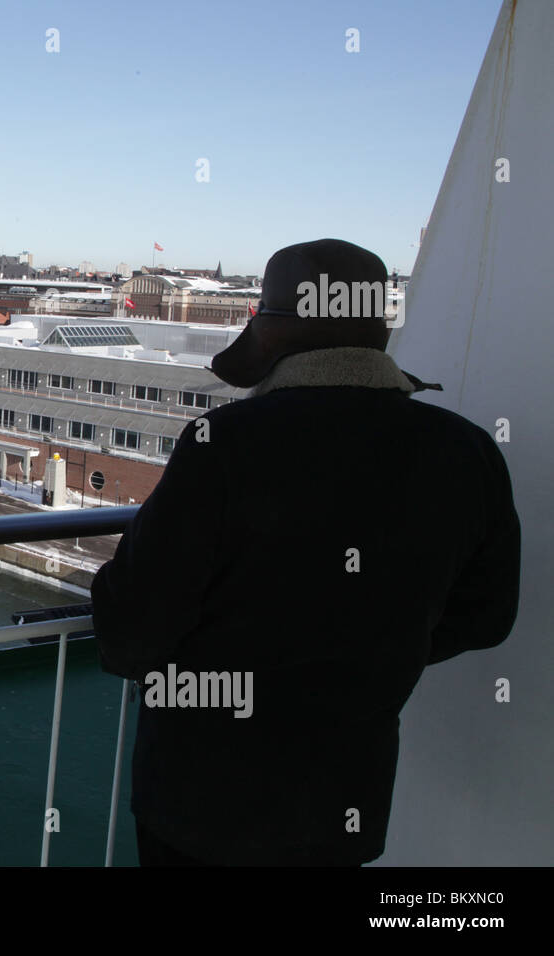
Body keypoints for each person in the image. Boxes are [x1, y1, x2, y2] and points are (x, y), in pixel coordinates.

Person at [91, 239, 521, 866]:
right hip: (345, 799)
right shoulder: (466, 448)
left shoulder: (227, 444)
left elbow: (133, 628)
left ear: (272, 330)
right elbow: (487, 617)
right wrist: (371, 657)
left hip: (205, 802)